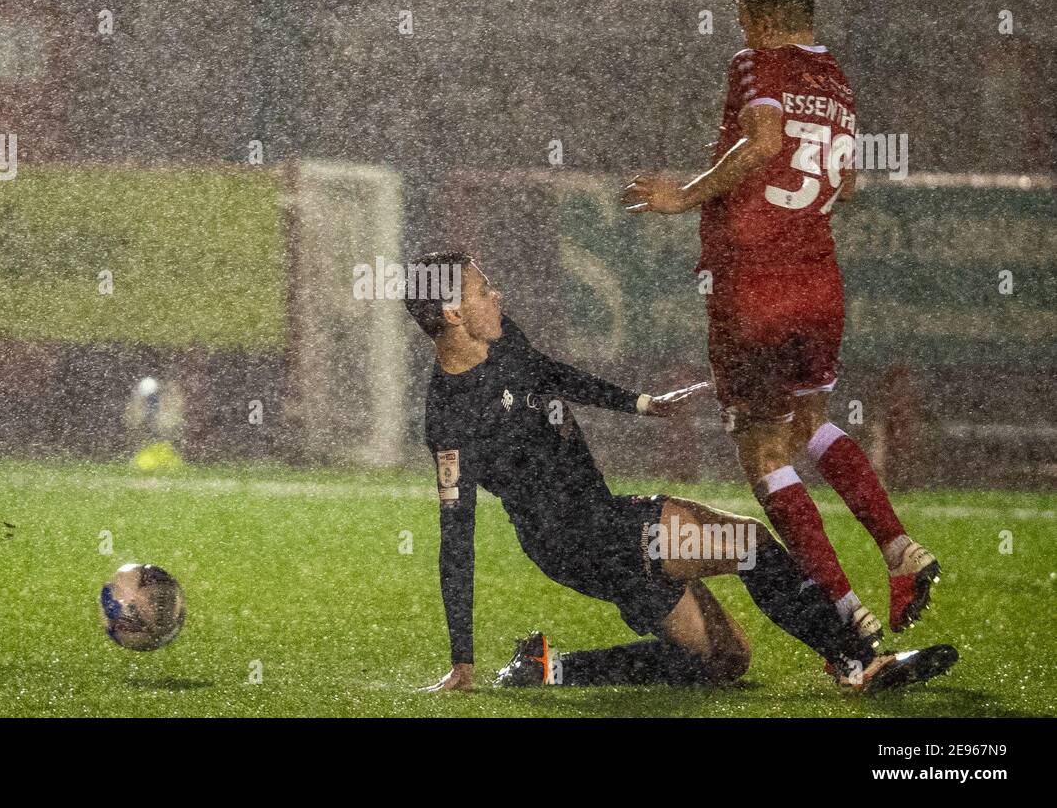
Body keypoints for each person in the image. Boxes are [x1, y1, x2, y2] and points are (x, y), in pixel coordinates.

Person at [406, 251, 956, 692]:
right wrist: (462, 660)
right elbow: (457, 541)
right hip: (577, 540)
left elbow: (551, 372)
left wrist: (642, 403)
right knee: (747, 544)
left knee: (724, 661)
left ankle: (548, 668)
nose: (495, 293)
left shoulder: (504, 341)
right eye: (482, 289)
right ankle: (857, 663)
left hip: (598, 523)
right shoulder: (451, 418)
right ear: (452, 313)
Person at [624, 0, 939, 646]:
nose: (740, 32)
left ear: (764, 22)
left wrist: (686, 195)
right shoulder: (838, 81)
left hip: (754, 281)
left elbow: (764, 140)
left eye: (743, 20)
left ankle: (844, 615)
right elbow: (845, 183)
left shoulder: (756, 62)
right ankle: (899, 552)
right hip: (819, 279)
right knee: (809, 421)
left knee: (761, 449)